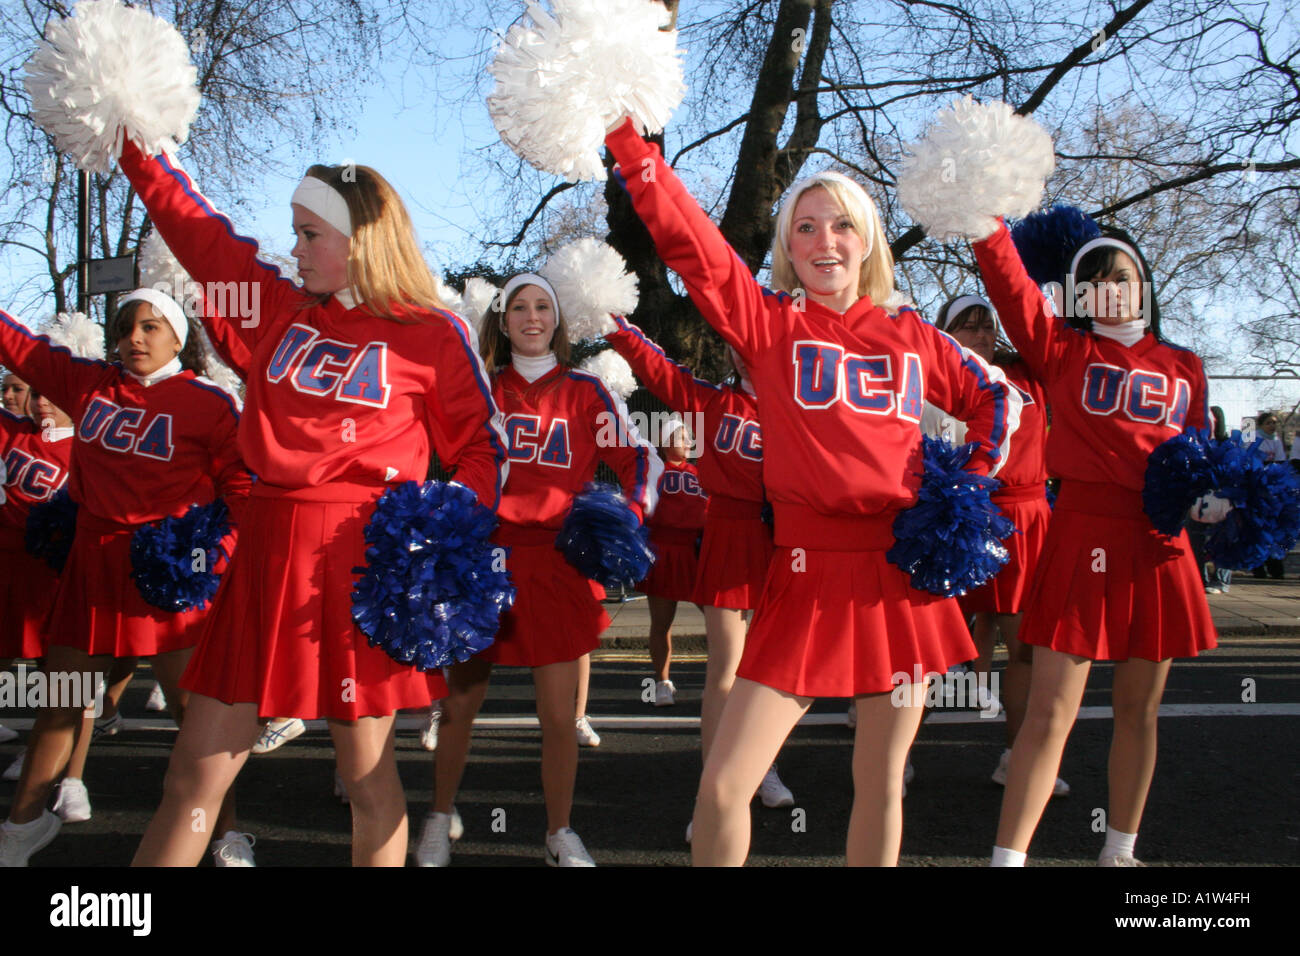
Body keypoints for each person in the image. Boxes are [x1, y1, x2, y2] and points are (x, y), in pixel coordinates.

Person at [605, 118, 1020, 866]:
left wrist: (969, 486)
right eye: (805, 229)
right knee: (727, 785)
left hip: (899, 583)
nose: (824, 243)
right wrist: (632, 147)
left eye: (840, 226)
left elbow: (998, 400)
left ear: (866, 241)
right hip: (801, 579)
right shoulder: (768, 326)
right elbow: (694, 247)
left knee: (881, 780)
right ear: (787, 249)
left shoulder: (915, 336)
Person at [116, 140, 508, 867]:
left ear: (361, 240)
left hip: (359, 568)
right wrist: (133, 137)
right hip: (266, 555)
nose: (293, 249)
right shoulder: (274, 308)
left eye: (309, 234)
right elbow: (196, 229)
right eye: (294, 232)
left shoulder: (431, 332)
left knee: (365, 778)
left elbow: (485, 449)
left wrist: (439, 531)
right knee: (191, 775)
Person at [973, 219, 1218, 866]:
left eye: (1123, 275)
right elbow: (1010, 288)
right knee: (1050, 713)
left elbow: (1198, 453)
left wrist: (1210, 496)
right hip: (1083, 535)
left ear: (1144, 285)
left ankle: (1120, 849)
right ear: (1079, 296)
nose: (1112, 288)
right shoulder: (1061, 351)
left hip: (1159, 544)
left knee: (1139, 711)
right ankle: (1007, 858)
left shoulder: (1184, 365)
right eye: (1096, 279)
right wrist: (981, 221)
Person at [416, 273, 661, 867]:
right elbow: (427, 455)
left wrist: (623, 517)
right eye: (519, 307)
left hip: (556, 564)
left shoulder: (586, 391)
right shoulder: (478, 388)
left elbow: (638, 459)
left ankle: (558, 832)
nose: (531, 317)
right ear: (502, 321)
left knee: (559, 714)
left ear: (558, 320)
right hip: (483, 560)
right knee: (458, 707)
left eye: (542, 307)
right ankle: (440, 815)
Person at [0, 290, 253, 867]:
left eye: (150, 327)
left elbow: (242, 487)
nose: (134, 337)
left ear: (177, 335)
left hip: (167, 578)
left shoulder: (208, 401)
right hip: (92, 568)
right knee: (59, 702)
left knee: (195, 715)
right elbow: (18, 345)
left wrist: (209, 554)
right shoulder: (89, 385)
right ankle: (21, 828)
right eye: (126, 327)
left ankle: (224, 834)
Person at [605, 317, 795, 816]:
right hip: (729, 536)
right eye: (737, 346)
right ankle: (712, 795)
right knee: (727, 670)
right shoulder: (711, 402)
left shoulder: (801, 404)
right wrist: (613, 323)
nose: (744, 353)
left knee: (773, 674)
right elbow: (658, 369)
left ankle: (762, 767)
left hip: (786, 541)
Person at [923, 296, 1068, 797]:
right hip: (952, 517)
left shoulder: (1026, 375)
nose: (981, 334)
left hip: (1026, 517)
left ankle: (1018, 759)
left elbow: (1050, 323)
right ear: (944, 333)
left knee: (1025, 644)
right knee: (924, 647)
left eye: (986, 325)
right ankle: (891, 758)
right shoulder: (927, 383)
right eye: (967, 326)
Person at [633, 417, 706, 707]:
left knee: (717, 621)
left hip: (693, 553)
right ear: (665, 443)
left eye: (688, 437)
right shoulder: (655, 471)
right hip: (663, 553)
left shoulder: (701, 473)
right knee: (661, 623)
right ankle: (662, 683)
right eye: (680, 437)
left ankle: (720, 679)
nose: (687, 442)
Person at [1253, 412, 1286, 579]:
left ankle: (1275, 567)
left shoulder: (1276, 440)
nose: (1272, 426)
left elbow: (1280, 463)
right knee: (1258, 528)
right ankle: (1258, 566)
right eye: (1268, 423)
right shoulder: (1254, 437)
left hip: (1272, 487)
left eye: (1274, 423)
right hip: (1257, 485)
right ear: (1260, 425)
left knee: (1273, 529)